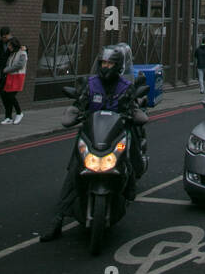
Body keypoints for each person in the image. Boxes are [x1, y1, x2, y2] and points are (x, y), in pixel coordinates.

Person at [40, 44, 146, 241]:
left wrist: (135, 113)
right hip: (91, 135)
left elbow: (132, 107)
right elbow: (79, 104)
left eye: (110, 63)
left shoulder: (126, 86)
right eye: (103, 63)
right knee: (74, 169)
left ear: (118, 65)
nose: (106, 67)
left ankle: (129, 189)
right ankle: (57, 220)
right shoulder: (90, 84)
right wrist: (73, 113)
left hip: (115, 134)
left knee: (129, 158)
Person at [0, 37, 27, 123]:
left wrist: (6, 70)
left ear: (14, 45)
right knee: (5, 95)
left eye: (10, 46)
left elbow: (20, 65)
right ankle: (8, 117)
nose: (9, 47)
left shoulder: (22, 53)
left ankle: (19, 113)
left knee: (10, 96)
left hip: (18, 77)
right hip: (10, 77)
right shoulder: (12, 53)